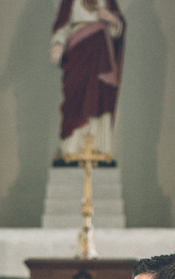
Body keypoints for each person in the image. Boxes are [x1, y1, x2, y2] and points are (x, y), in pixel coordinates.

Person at [50, 0, 126, 160]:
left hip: (102, 59)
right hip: (79, 57)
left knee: (100, 100)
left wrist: (111, 19)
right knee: (76, 99)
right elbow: (64, 27)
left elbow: (118, 30)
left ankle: (100, 148)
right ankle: (71, 148)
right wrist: (58, 44)